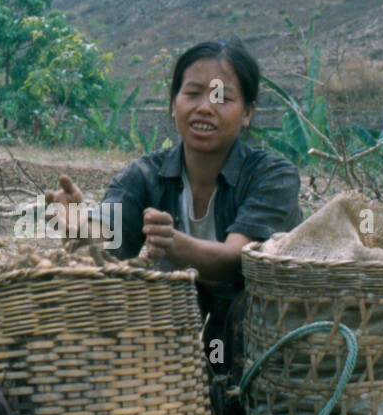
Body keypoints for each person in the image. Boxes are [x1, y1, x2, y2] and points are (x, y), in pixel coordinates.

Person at [48, 37, 305, 378]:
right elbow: (109, 236)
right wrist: (79, 227)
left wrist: (176, 246)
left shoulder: (273, 176)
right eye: (192, 93)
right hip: (179, 329)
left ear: (247, 114)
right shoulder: (143, 175)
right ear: (173, 104)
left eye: (222, 98)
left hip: (258, 336)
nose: (204, 107)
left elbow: (238, 260)